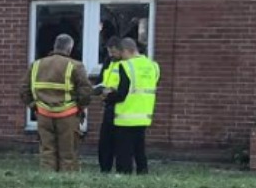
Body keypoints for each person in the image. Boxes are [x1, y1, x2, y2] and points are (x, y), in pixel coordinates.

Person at [21, 33, 93, 172]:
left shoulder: (36, 65)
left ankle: (48, 180)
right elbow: (86, 91)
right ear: (70, 48)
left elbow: (24, 89)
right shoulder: (75, 66)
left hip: (43, 115)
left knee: (47, 151)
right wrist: (80, 106)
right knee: (68, 153)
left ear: (55, 46)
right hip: (68, 115)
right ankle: (67, 182)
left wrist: (33, 106)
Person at [105, 37, 160, 175]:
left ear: (125, 51)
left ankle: (124, 175)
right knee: (139, 148)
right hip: (144, 115)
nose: (121, 57)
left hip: (126, 115)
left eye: (121, 53)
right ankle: (143, 172)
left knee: (124, 151)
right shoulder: (153, 66)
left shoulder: (126, 66)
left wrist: (108, 97)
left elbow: (122, 93)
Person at [96, 36, 123, 173]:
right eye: (109, 51)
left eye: (114, 51)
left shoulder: (126, 63)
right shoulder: (108, 62)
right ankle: (104, 169)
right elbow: (102, 79)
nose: (111, 54)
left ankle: (120, 169)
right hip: (108, 104)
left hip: (121, 105)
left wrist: (113, 90)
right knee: (105, 141)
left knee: (119, 141)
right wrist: (100, 90)